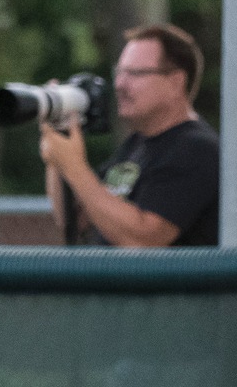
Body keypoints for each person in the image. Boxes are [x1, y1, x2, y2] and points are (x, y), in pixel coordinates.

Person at [41, 24, 219, 246]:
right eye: (119, 72)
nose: (119, 84)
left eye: (135, 74)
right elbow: (77, 220)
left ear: (176, 82)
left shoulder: (197, 150)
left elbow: (144, 239)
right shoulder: (137, 144)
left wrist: (75, 169)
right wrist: (57, 150)